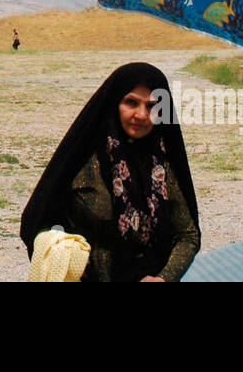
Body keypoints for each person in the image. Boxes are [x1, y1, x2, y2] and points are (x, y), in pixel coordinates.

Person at [21, 63, 201, 282]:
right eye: (131, 103)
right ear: (114, 103)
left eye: (152, 107)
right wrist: (64, 252)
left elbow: (188, 235)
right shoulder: (82, 159)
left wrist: (164, 278)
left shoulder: (162, 166)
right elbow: (38, 219)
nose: (142, 115)